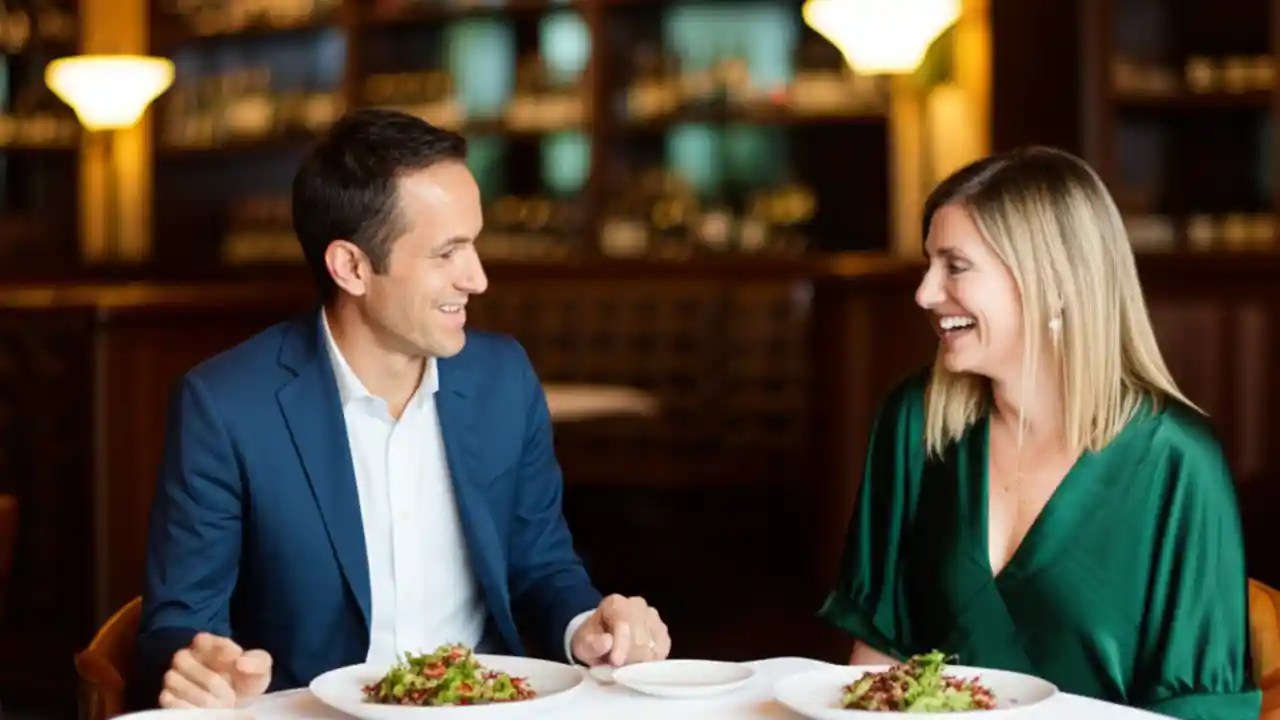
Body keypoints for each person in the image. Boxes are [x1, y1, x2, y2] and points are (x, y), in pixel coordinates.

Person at [136, 108, 671, 709]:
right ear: (352, 267)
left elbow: (542, 566)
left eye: (475, 244)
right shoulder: (226, 405)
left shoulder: (502, 378)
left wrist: (587, 628)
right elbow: (177, 622)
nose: (478, 278)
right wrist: (202, 667)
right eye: (448, 253)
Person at [818, 146, 1260, 718]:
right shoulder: (915, 421)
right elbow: (878, 659)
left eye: (955, 265)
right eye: (930, 263)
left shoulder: (1177, 462)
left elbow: (1203, 712)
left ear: (1049, 282)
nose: (924, 293)